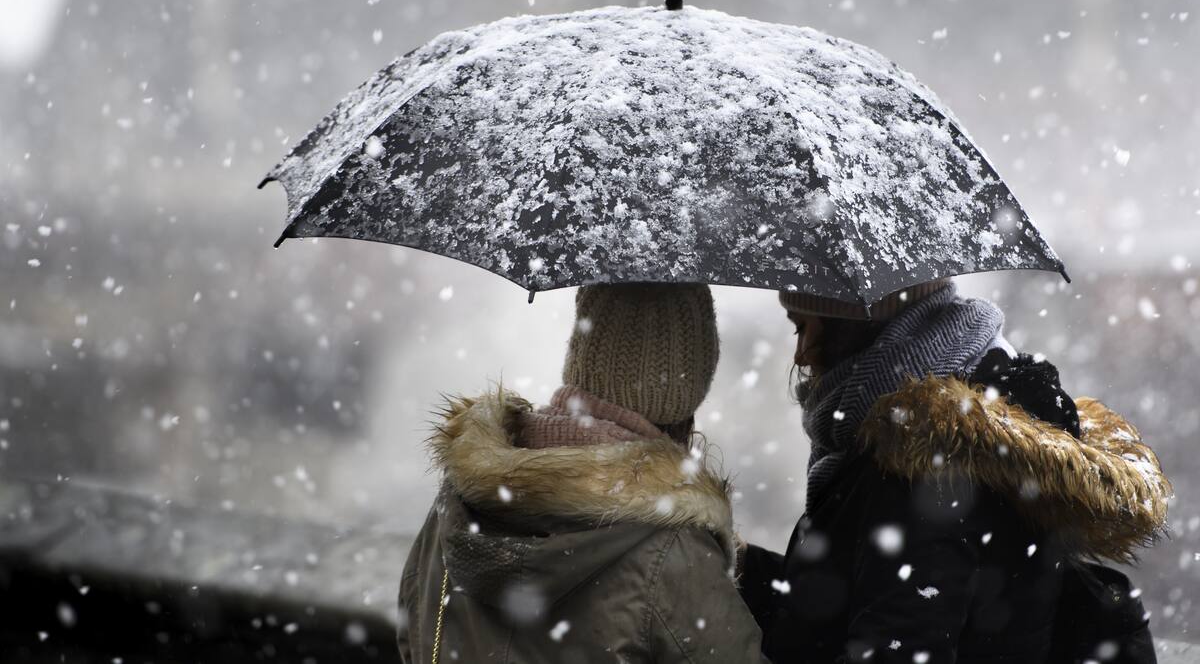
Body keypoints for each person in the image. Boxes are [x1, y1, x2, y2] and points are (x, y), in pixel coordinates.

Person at [740, 279, 1172, 664]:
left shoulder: (924, 465)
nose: (802, 353)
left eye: (804, 327)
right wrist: (726, 561)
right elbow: (858, 596)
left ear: (864, 326)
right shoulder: (955, 437)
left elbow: (894, 636)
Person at [397, 283, 768, 664]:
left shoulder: (460, 498)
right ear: (688, 391)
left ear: (581, 354)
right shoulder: (672, 551)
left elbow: (415, 632)